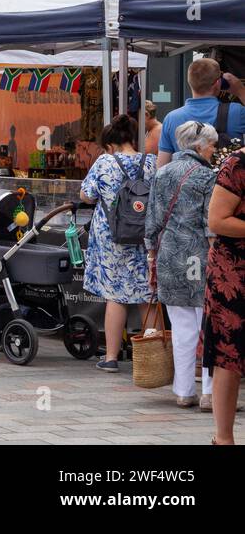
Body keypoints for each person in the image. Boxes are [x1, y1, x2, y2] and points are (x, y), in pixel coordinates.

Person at [146, 120, 221, 410]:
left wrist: (151, 254)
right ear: (200, 145)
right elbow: (210, 226)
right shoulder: (206, 177)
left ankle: (183, 390)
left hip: (168, 257)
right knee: (209, 325)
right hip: (199, 258)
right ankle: (210, 393)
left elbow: (151, 222)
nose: (214, 150)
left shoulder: (161, 174)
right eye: (212, 144)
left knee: (181, 327)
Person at [80, 114, 154, 373]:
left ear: (110, 144)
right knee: (148, 295)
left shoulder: (105, 162)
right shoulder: (152, 162)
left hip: (112, 236)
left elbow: (86, 195)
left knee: (116, 295)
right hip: (145, 236)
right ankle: (153, 357)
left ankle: (111, 357)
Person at [205, 144, 245, 444]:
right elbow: (217, 220)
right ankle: (224, 439)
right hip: (234, 274)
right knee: (229, 357)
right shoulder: (238, 163)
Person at [158, 58, 245, 168]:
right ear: (218, 83)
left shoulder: (171, 118)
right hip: (224, 183)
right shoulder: (237, 112)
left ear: (190, 82)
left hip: (186, 183)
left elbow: (162, 166)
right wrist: (240, 90)